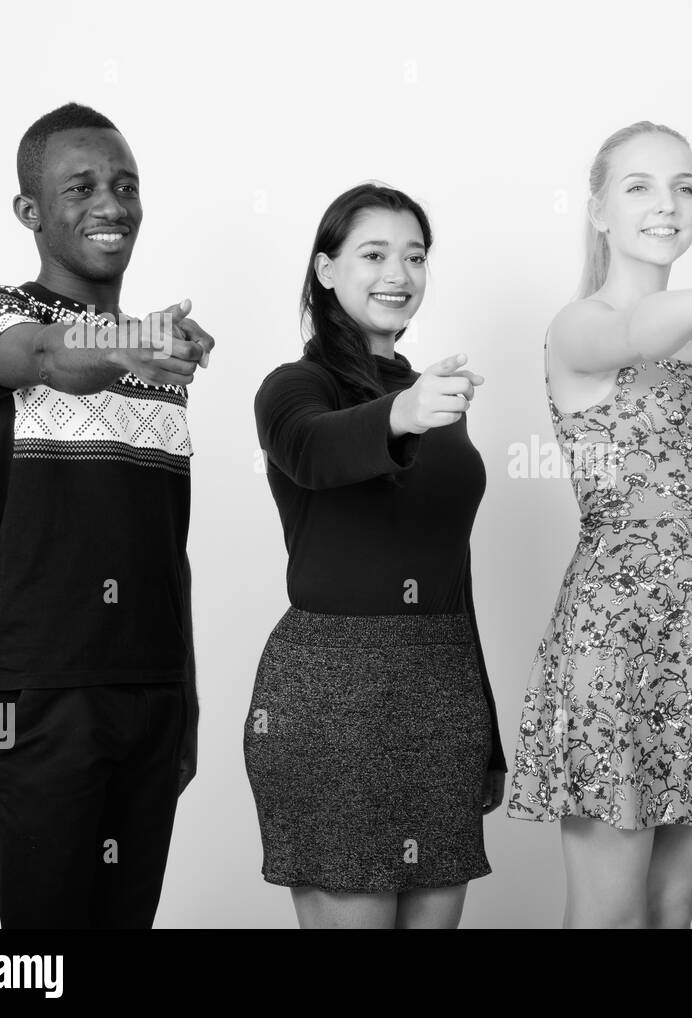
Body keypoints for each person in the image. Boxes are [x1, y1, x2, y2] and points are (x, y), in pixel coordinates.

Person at [507, 121, 692, 928]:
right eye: (639, 186)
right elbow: (634, 334)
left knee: (671, 910)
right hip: (614, 642)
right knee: (610, 917)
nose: (667, 204)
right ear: (598, 210)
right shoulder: (578, 327)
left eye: (686, 185)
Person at [0, 101, 216, 928]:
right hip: (34, 690)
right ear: (31, 211)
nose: (111, 203)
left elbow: (162, 543)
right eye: (81, 186)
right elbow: (51, 360)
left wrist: (185, 693)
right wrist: (125, 341)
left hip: (152, 690)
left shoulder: (160, 358)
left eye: (125, 184)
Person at [245, 183, 507, 930]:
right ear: (326, 269)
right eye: (374, 253)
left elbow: (453, 571)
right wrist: (402, 413)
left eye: (415, 255)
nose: (399, 272)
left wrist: (483, 727)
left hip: (443, 690)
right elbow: (312, 451)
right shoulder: (296, 388)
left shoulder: (433, 396)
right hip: (333, 699)